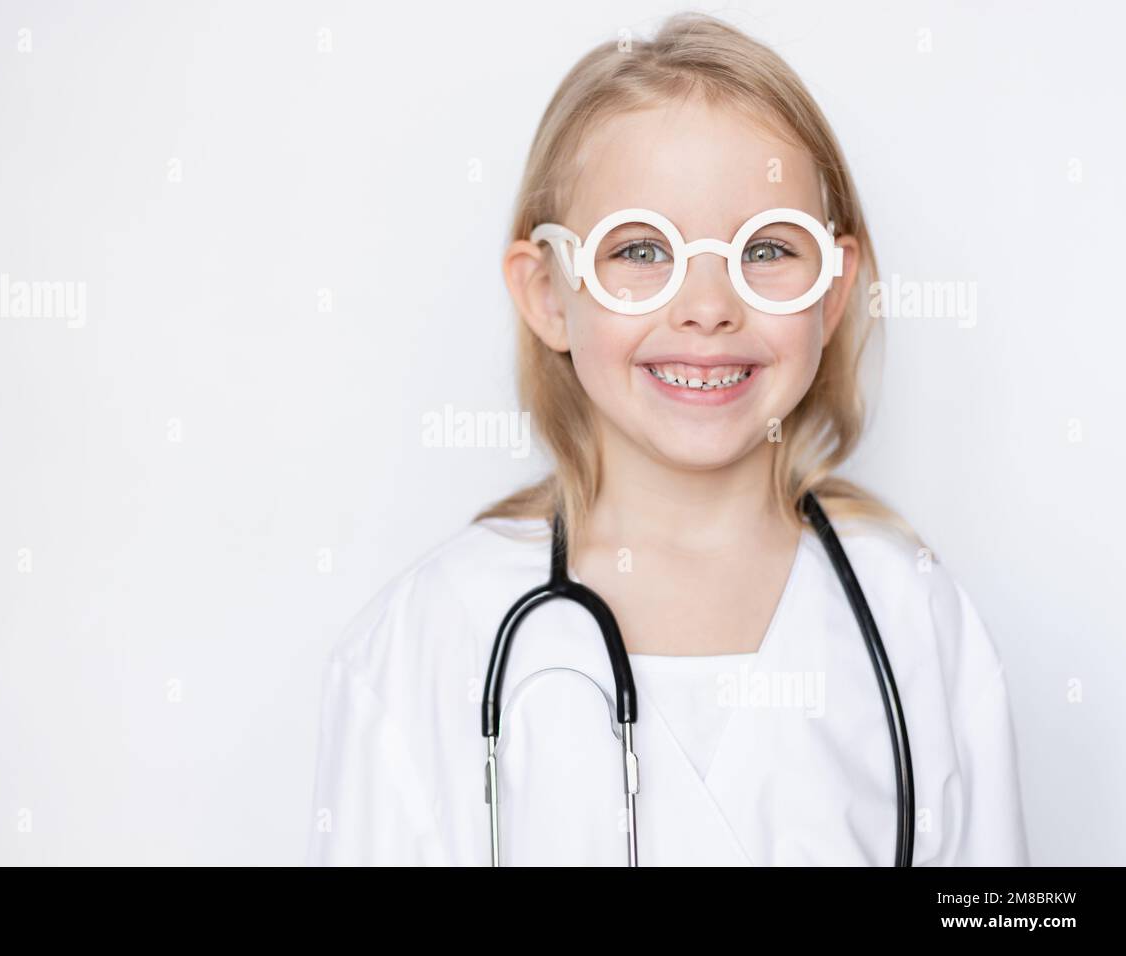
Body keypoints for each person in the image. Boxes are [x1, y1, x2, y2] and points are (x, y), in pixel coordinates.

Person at [305, 11, 1029, 866]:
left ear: (833, 296)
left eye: (767, 249)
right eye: (642, 249)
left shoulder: (913, 616)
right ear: (547, 294)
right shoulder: (430, 639)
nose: (708, 304)